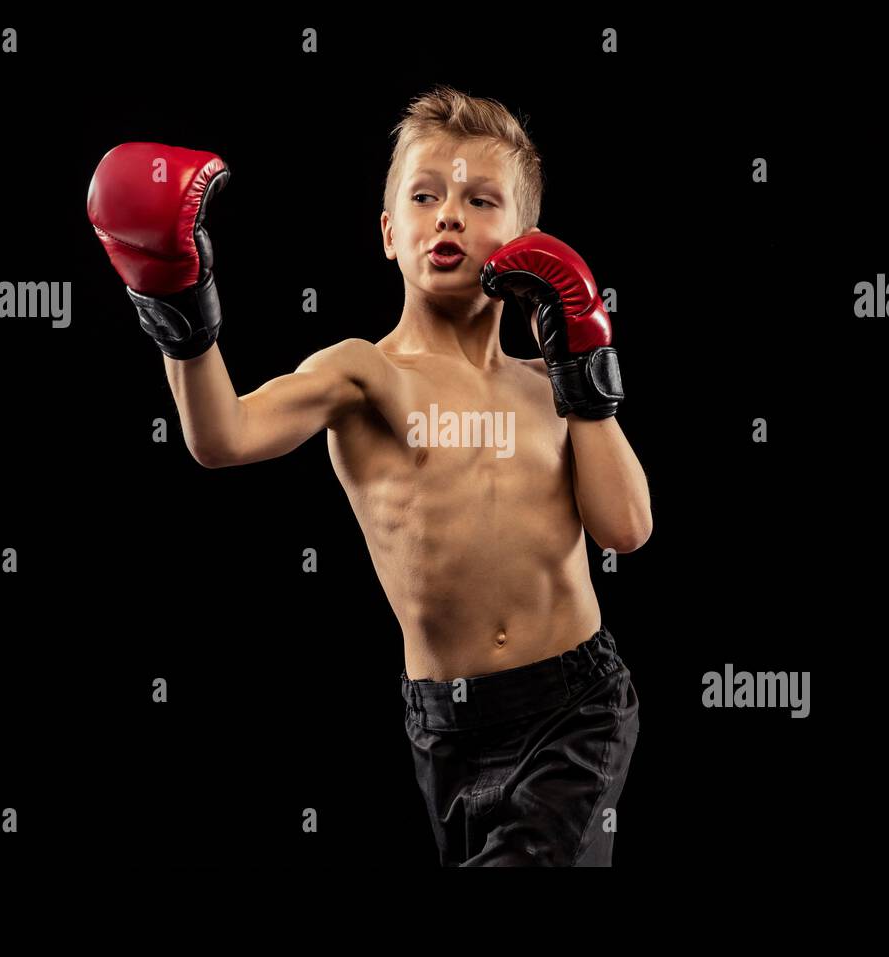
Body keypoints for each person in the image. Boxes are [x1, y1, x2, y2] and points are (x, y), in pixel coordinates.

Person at [87, 85, 650, 866]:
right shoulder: (365, 373)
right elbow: (224, 436)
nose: (448, 213)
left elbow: (626, 527)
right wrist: (174, 299)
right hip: (446, 724)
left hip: (577, 705)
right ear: (389, 232)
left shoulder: (544, 387)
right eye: (425, 195)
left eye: (480, 199)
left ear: (527, 241)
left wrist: (584, 369)